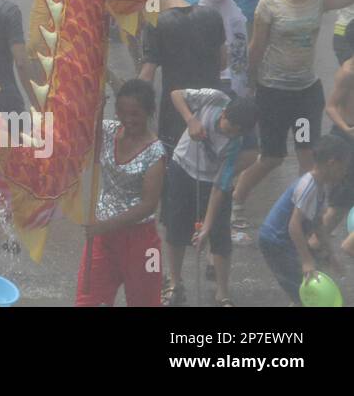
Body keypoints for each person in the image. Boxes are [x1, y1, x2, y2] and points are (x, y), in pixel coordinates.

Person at [236, 0, 354, 209]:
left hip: (304, 96)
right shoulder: (269, 4)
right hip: (274, 94)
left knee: (307, 154)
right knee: (272, 156)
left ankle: (301, 213)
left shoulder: (318, 0)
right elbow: (256, 47)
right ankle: (236, 201)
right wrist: (250, 81)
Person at [161, 89, 258, 307]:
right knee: (176, 228)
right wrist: (191, 119)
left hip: (210, 180)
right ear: (224, 113)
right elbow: (175, 94)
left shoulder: (235, 143)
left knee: (220, 234)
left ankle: (223, 294)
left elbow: (220, 186)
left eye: (236, 134)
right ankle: (175, 283)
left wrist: (206, 226)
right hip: (182, 167)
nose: (230, 135)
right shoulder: (213, 97)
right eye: (229, 129)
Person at [75, 80, 166, 307]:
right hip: (102, 239)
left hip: (142, 242)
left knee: (146, 302)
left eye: (135, 114)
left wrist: (105, 225)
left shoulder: (156, 152)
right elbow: (79, 136)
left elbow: (149, 205)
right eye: (122, 113)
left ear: (149, 112)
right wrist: (93, 109)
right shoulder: (106, 130)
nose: (128, 119)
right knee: (87, 300)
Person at [257, 135, 351, 305]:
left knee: (305, 285)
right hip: (276, 241)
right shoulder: (309, 186)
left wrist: (330, 253)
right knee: (304, 288)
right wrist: (306, 260)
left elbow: (317, 224)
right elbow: (294, 226)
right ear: (332, 163)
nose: (346, 172)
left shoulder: (320, 186)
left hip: (285, 241)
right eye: (344, 167)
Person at [139, 0, 226, 152]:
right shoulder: (213, 15)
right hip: (212, 107)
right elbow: (223, 62)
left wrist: (132, 103)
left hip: (176, 113)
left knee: (174, 167)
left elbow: (147, 77)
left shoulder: (157, 24)